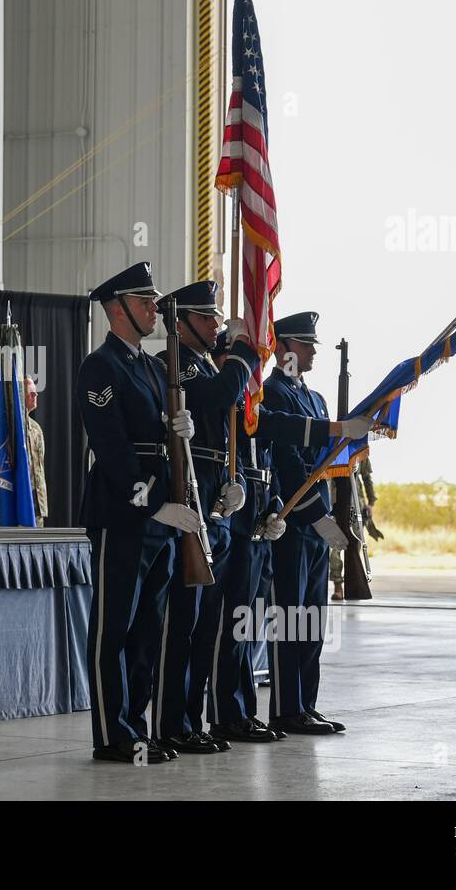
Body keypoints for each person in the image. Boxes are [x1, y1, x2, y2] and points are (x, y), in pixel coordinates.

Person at [76, 262, 199, 765]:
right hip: (124, 514)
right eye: (145, 301)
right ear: (117, 308)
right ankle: (111, 734)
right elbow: (114, 450)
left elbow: (159, 441)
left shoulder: (152, 367)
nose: (154, 309)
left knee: (148, 629)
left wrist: (184, 433)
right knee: (115, 628)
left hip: (161, 519)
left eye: (153, 301)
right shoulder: (100, 367)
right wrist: (155, 503)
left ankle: (138, 726)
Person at [148, 281, 256, 755]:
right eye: (208, 318)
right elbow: (217, 398)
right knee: (184, 621)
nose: (217, 326)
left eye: (218, 319)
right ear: (185, 321)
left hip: (215, 494)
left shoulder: (206, 366)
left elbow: (228, 424)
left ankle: (193, 719)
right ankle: (172, 721)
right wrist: (243, 352)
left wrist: (239, 486)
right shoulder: (173, 366)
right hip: (189, 495)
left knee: (208, 621)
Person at [265, 311, 355, 735]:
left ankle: (306, 702)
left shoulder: (316, 399)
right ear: (283, 348)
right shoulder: (272, 393)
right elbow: (287, 464)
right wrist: (317, 519)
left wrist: (336, 516)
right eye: (305, 343)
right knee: (290, 617)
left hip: (316, 525)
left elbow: (327, 465)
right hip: (295, 522)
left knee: (313, 619)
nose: (313, 350)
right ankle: (285, 707)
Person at [0, 377, 48, 526]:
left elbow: (39, 470)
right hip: (4, 507)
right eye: (30, 392)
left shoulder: (36, 429)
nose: (35, 395)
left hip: (34, 510)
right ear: (18, 394)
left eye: (35, 392)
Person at [329, 455, 380, 600]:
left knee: (353, 546)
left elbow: (367, 477)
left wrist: (371, 502)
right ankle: (338, 586)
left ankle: (353, 585)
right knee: (335, 547)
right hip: (334, 502)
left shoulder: (359, 449)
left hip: (356, 505)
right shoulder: (333, 447)